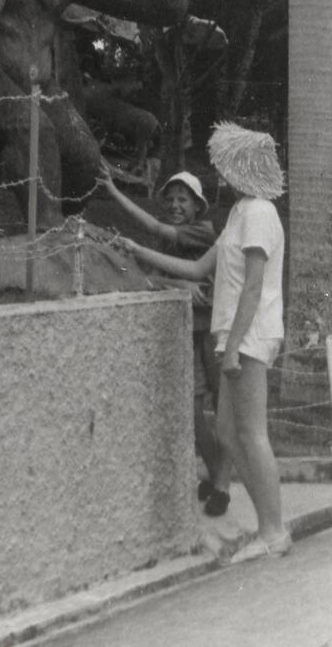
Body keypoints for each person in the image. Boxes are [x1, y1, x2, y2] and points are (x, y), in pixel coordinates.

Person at [121, 121, 290, 564]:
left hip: (249, 336)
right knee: (226, 433)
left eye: (228, 164)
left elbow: (253, 288)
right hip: (235, 335)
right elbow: (198, 269)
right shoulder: (239, 213)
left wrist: (233, 347)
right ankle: (268, 522)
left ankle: (274, 531)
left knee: (251, 434)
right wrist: (137, 252)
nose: (221, 172)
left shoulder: (258, 213)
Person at [98, 164, 228, 515]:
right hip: (187, 331)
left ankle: (223, 482)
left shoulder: (202, 231)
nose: (174, 205)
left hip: (213, 332)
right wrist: (181, 285)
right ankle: (217, 477)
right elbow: (153, 280)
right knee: (195, 410)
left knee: (224, 407)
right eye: (169, 199)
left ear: (198, 205)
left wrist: (113, 193)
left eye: (182, 199)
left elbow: (154, 229)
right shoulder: (166, 239)